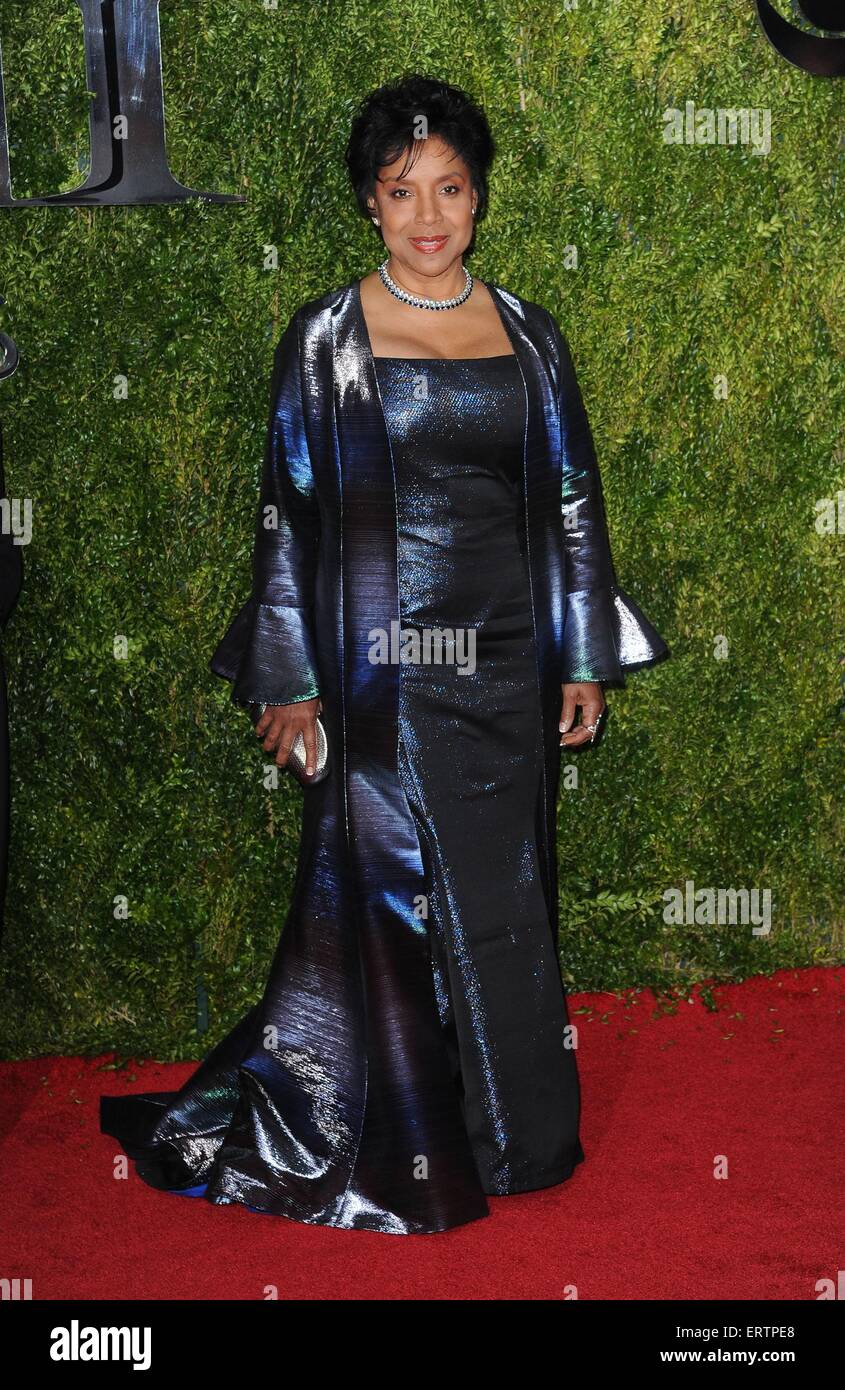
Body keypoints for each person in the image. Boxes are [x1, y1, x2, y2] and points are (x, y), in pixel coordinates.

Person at [100, 73, 669, 1235]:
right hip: (379, 672)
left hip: (506, 663)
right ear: (370, 200)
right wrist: (290, 678)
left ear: (478, 198)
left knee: (507, 895)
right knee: (392, 903)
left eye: (450, 189)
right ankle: (403, 1141)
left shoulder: (525, 330)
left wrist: (580, 655)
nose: (427, 214)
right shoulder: (324, 334)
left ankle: (515, 1139)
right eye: (403, 190)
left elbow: (567, 500)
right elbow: (287, 511)